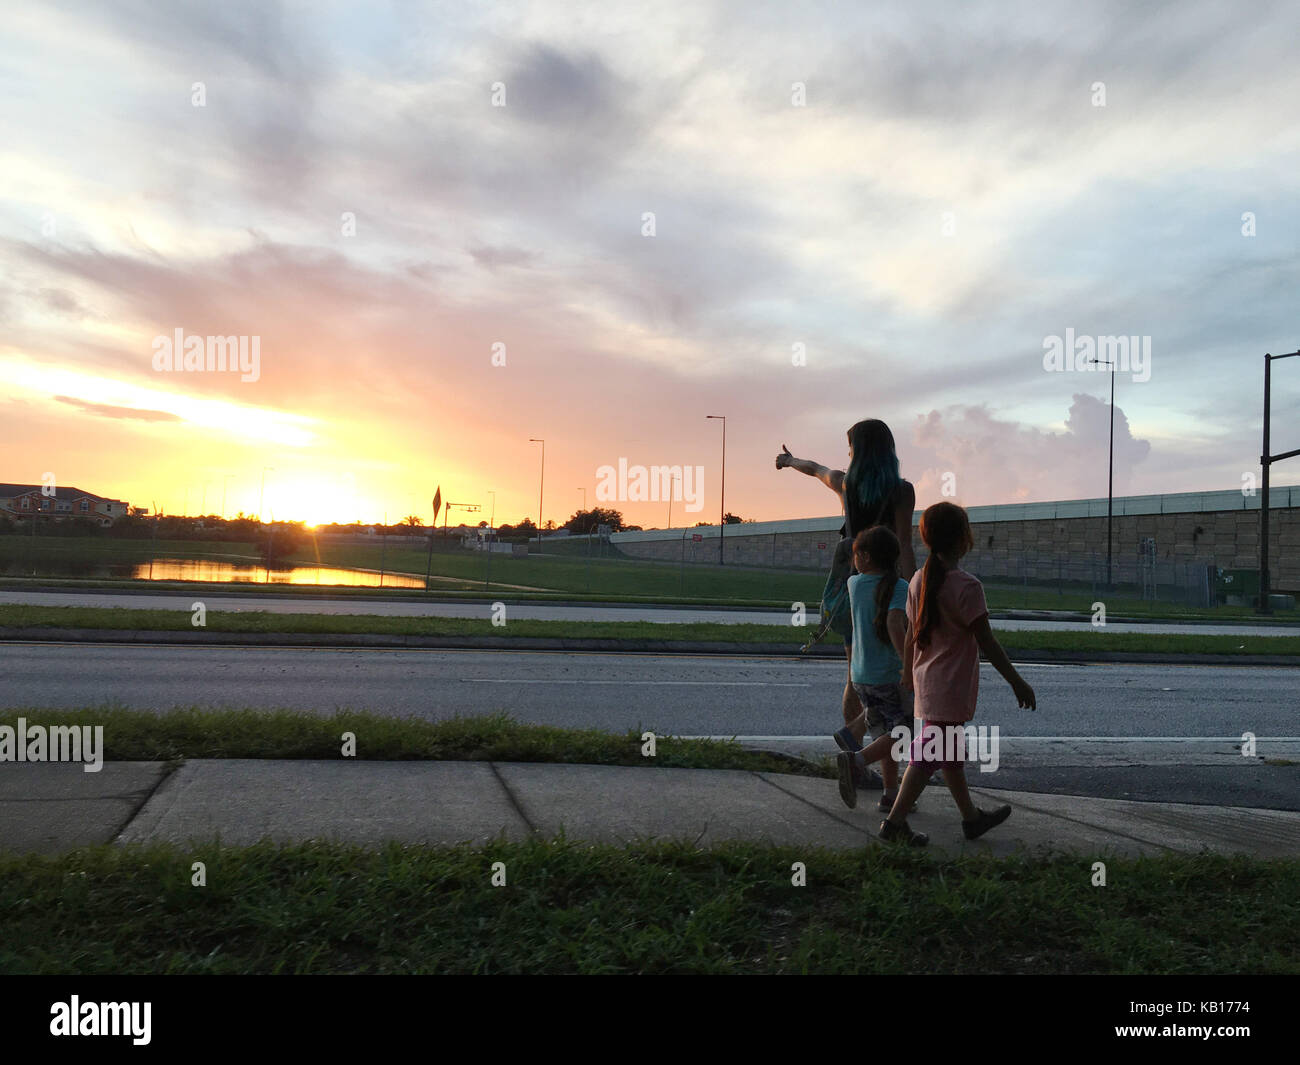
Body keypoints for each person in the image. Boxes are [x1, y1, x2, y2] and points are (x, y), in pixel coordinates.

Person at [880, 502, 1037, 846]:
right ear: (964, 539)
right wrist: (1017, 682)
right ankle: (894, 823)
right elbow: (987, 642)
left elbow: (909, 633)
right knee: (930, 755)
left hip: (928, 682)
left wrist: (907, 671)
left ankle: (971, 819)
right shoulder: (967, 587)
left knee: (948, 753)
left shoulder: (919, 579)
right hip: (949, 687)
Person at [775, 421, 917, 785]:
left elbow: (815, 469)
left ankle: (856, 751)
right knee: (898, 676)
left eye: (851, 448)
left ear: (860, 451)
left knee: (857, 673)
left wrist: (789, 462)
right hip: (890, 590)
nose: (848, 454)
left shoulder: (844, 483)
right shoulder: (901, 491)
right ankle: (878, 765)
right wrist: (916, 591)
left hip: (853, 588)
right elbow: (904, 543)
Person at [831, 526, 914, 814]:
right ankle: (856, 762)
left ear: (865, 557)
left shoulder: (855, 584)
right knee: (904, 731)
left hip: (860, 675)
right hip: (888, 674)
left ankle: (890, 794)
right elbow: (894, 624)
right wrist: (908, 667)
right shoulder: (900, 587)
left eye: (856, 556)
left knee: (885, 735)